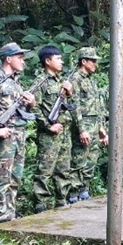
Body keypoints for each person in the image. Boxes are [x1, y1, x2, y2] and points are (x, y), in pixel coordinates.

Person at [0, 43, 35, 222]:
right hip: (4, 135)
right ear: (8, 59)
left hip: (19, 134)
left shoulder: (16, 82)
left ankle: (10, 214)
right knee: (1, 178)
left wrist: (31, 103)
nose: (23, 62)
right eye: (20, 58)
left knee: (15, 177)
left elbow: (23, 109)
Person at [31, 45, 75, 211]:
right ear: (47, 61)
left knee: (64, 169)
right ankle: (41, 204)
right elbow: (34, 108)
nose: (61, 62)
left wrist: (70, 94)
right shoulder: (40, 82)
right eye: (58, 58)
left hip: (64, 131)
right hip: (49, 135)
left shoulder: (61, 82)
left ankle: (61, 200)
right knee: (45, 169)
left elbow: (70, 106)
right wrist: (48, 125)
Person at [68, 47, 108, 203]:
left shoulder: (91, 80)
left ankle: (84, 189)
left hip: (94, 124)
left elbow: (97, 106)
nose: (95, 64)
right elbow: (74, 104)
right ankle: (73, 193)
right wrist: (81, 129)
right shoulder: (75, 79)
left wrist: (101, 128)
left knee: (91, 159)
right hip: (83, 124)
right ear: (83, 61)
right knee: (79, 159)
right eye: (93, 61)